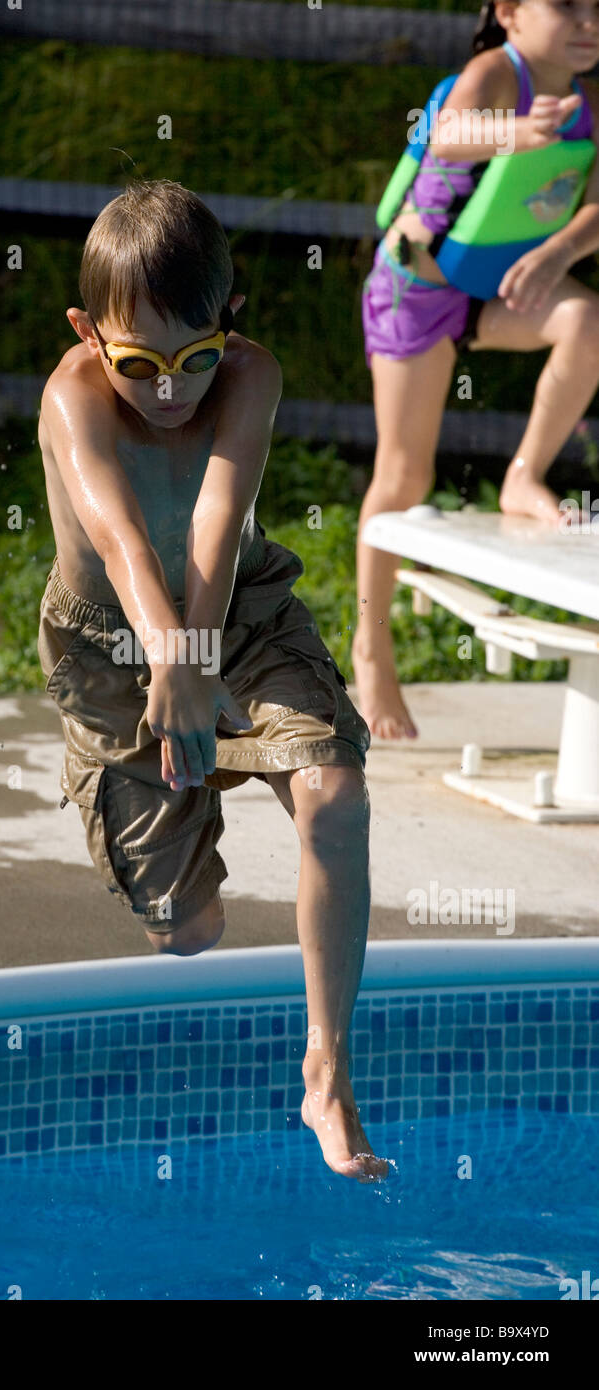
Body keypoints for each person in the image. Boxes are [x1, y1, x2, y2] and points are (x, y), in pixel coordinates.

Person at [37, 178, 387, 1181]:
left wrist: (194, 660)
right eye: (137, 363)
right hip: (110, 647)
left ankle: (326, 1072)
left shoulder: (248, 377)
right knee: (189, 935)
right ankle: (183, 783)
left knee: (335, 796)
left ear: (229, 327)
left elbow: (215, 526)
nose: (165, 391)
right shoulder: (71, 397)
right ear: (85, 331)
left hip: (237, 608)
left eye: (192, 359)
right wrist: (170, 665)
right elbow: (118, 544)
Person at [355, 0, 599, 739]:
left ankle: (525, 472)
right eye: (566, 5)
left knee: (586, 321)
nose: (588, 21)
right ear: (510, 12)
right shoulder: (496, 73)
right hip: (416, 291)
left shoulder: (591, 98)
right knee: (403, 478)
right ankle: (372, 646)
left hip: (491, 292)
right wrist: (513, 133)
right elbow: (442, 134)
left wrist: (558, 253)